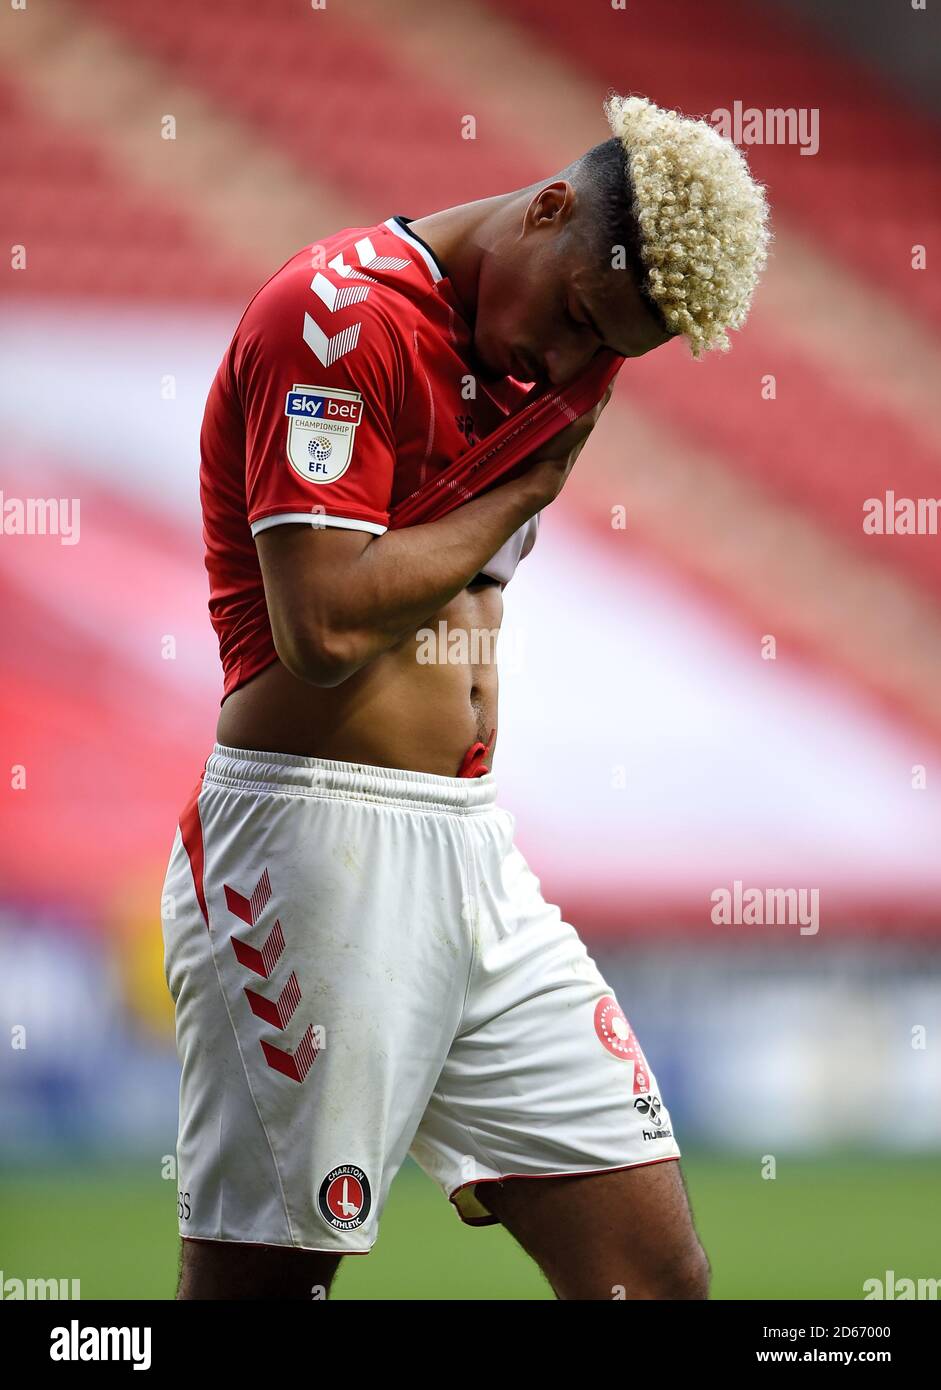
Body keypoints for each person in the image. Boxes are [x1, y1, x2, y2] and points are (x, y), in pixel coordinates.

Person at [162, 94, 770, 1300]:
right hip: (310, 844)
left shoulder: (562, 359)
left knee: (652, 1277)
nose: (571, 366)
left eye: (610, 352)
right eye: (578, 319)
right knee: (267, 1288)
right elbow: (325, 626)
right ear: (548, 207)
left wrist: (554, 415)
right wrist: (521, 491)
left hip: (474, 850)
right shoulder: (334, 319)